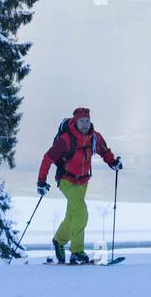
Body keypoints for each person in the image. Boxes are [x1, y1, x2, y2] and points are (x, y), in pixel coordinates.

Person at [37, 107, 122, 264]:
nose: (85, 124)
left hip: (83, 182)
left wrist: (113, 162)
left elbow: (104, 152)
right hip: (66, 180)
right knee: (82, 212)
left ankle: (59, 240)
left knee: (72, 215)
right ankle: (77, 251)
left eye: (87, 121)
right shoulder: (65, 140)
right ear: (75, 122)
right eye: (82, 121)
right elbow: (47, 158)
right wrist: (41, 181)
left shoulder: (94, 137)